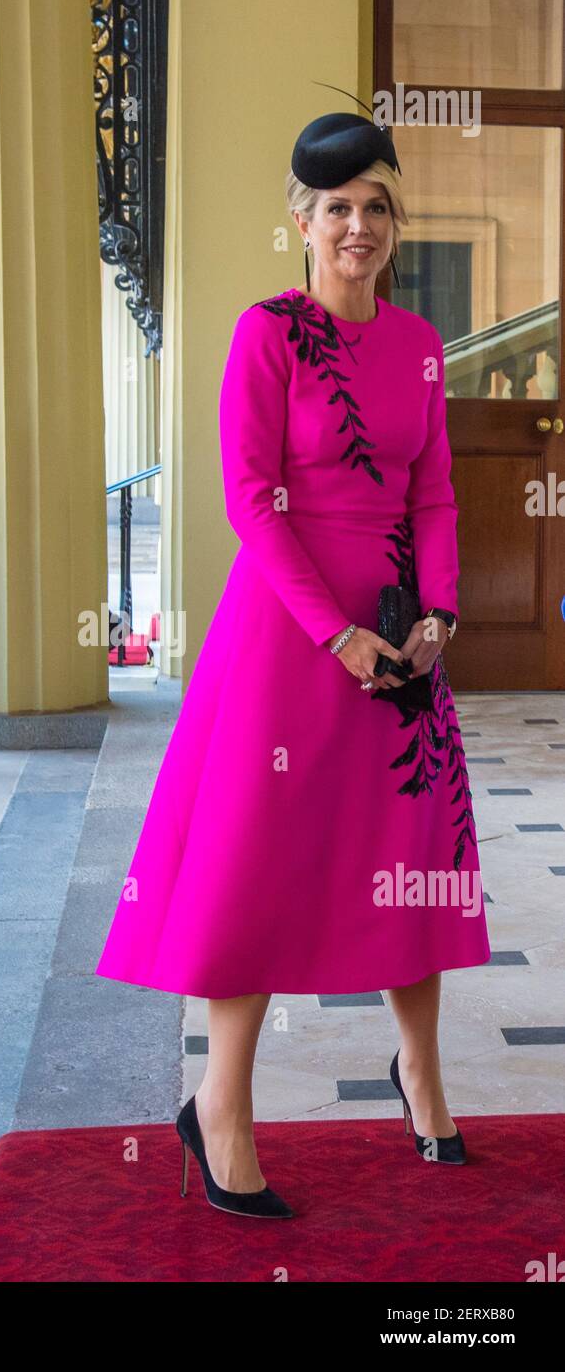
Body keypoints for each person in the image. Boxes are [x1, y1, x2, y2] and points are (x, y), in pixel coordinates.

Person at [94, 110, 490, 1218]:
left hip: (401, 632)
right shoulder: (266, 333)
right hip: (287, 633)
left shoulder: (416, 344)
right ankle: (219, 1102)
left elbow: (433, 490)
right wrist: (336, 632)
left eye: (375, 208)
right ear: (301, 223)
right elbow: (248, 505)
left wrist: (436, 618)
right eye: (335, 210)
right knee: (254, 861)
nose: (356, 228)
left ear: (393, 223)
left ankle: (419, 1074)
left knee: (407, 850)